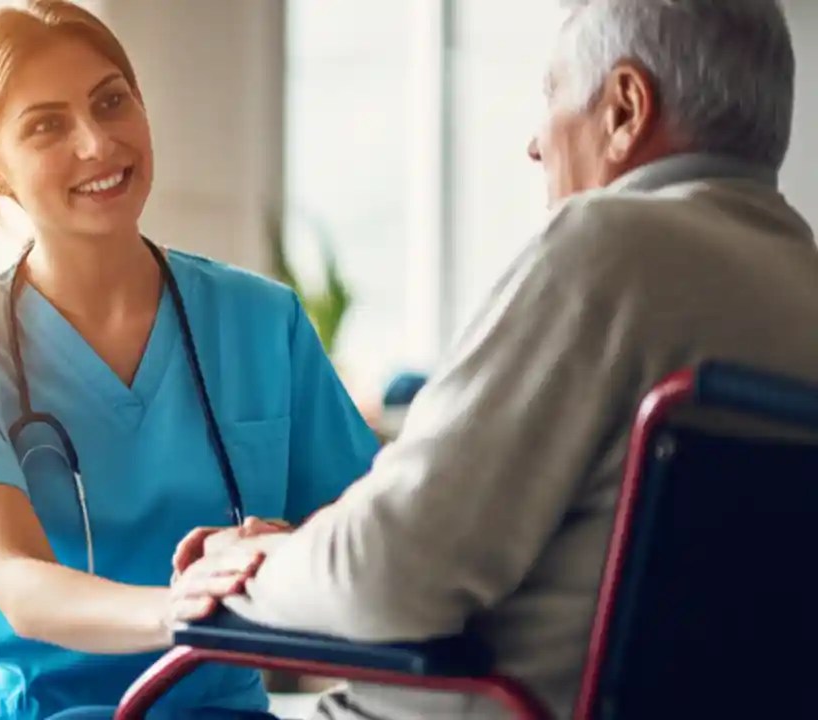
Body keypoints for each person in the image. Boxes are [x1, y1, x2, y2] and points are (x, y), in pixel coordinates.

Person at [97, 1, 818, 718]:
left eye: (551, 96)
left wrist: (245, 563)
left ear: (626, 108)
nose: (536, 145)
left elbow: (385, 578)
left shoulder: (609, 247)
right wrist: (321, 548)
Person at [0, 2, 379, 718]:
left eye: (112, 102)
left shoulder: (262, 321)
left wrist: (286, 550)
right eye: (47, 125)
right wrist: (187, 607)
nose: (97, 143)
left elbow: (365, 534)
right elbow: (18, 580)